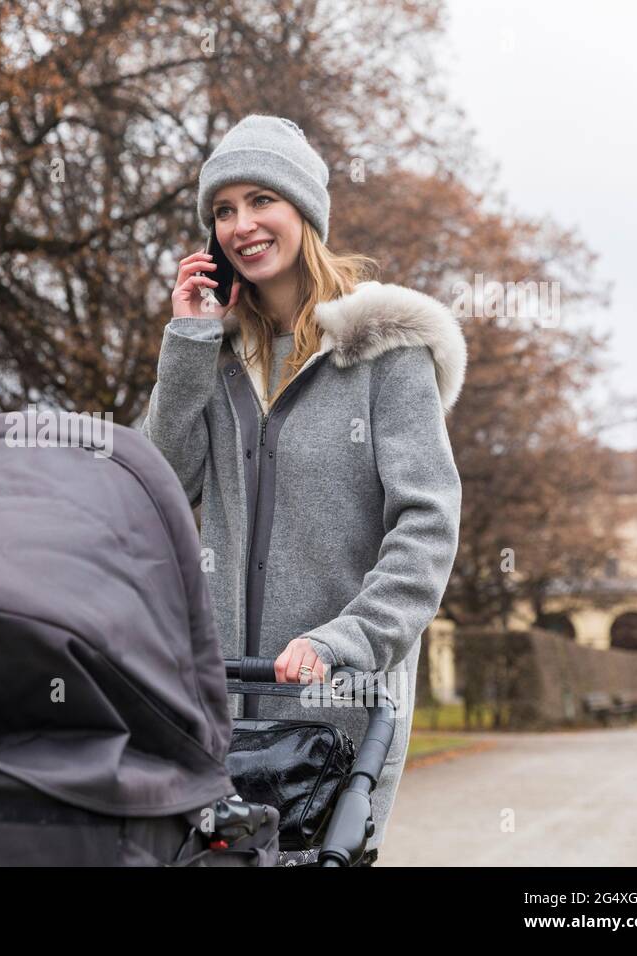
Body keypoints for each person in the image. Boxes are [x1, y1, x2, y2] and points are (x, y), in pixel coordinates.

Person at [139, 114, 465, 862]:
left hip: (338, 712)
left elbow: (426, 527)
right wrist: (188, 340)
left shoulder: (386, 354)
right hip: (220, 706)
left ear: (305, 212)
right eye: (223, 210)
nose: (240, 225)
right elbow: (162, 482)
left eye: (261, 200)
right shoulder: (215, 358)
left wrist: (342, 642)